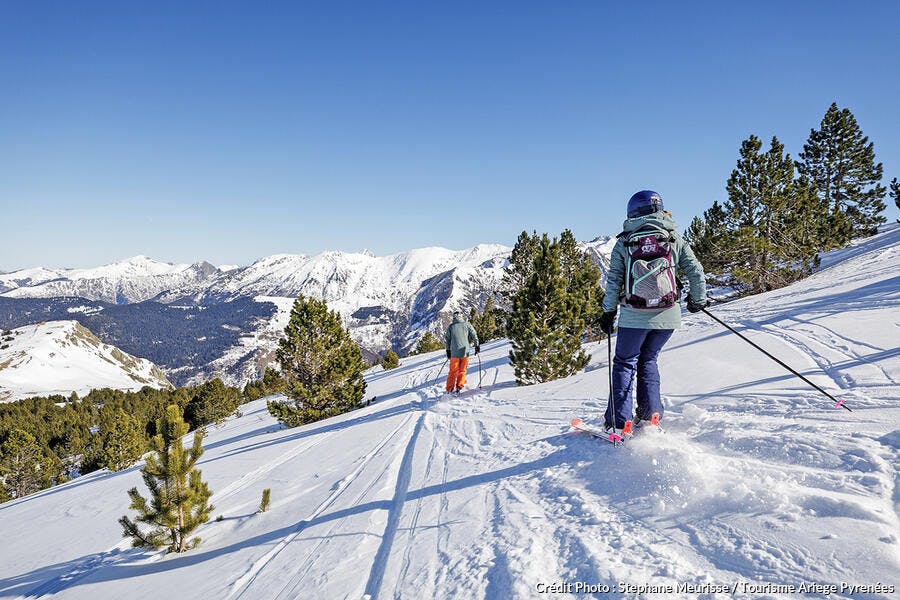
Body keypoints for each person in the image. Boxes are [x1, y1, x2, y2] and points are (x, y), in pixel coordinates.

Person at [599, 190, 708, 430]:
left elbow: (614, 280)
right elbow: (696, 270)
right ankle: (650, 415)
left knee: (625, 363)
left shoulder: (625, 242)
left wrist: (608, 312)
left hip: (634, 316)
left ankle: (618, 422)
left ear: (632, 212)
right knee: (648, 359)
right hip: (667, 315)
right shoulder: (673, 238)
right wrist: (698, 300)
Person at [444, 311, 480, 394]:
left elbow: (448, 340)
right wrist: (477, 346)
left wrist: (448, 350)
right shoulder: (467, 324)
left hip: (454, 353)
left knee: (453, 371)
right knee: (462, 370)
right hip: (465, 352)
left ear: (454, 317)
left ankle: (449, 389)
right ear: (461, 317)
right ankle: (459, 386)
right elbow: (474, 335)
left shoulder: (451, 327)